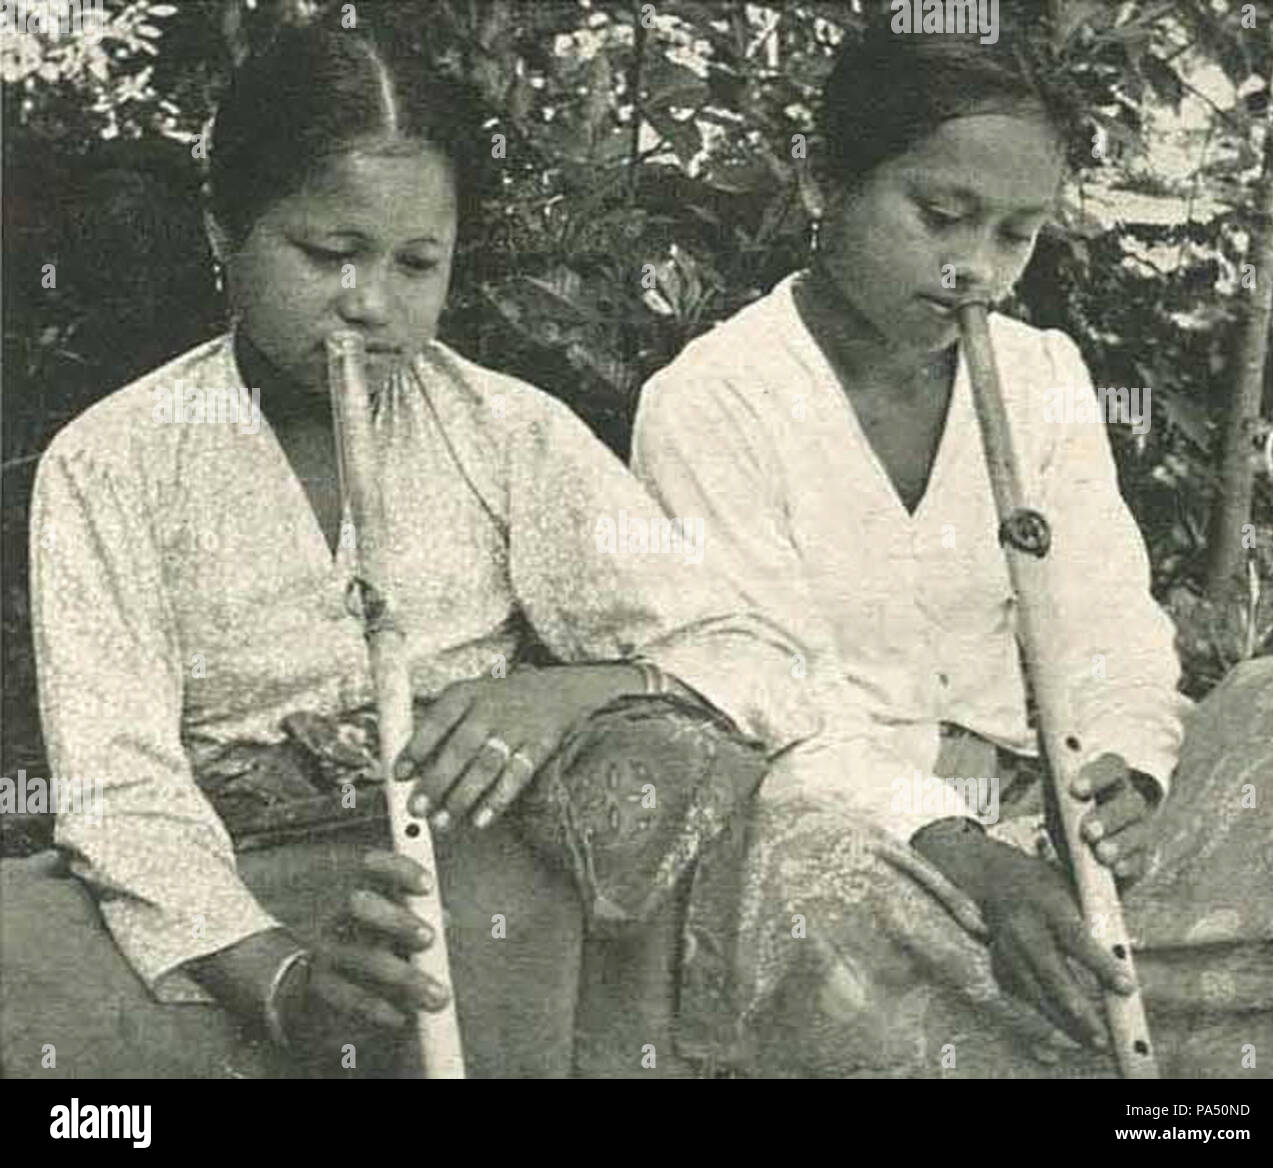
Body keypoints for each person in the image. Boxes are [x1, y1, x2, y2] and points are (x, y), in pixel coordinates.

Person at [2, 20, 816, 1080]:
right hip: (229, 897)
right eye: (326, 254)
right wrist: (285, 983)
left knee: (664, 765)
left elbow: (756, 663)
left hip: (471, 879)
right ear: (223, 232)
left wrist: (573, 692)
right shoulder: (110, 460)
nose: (371, 304)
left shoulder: (508, 431)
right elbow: (122, 788)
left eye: (416, 264)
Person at [632, 17, 1273, 1077]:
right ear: (821, 180)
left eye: (1015, 235)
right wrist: (966, 855)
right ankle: (1162, 1037)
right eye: (942, 217)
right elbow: (772, 704)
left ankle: (1065, 1019)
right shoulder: (711, 404)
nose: (976, 269)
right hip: (878, 844)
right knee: (809, 880)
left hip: (1045, 823)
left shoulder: (1043, 377)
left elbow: (1113, 632)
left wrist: (1127, 776)